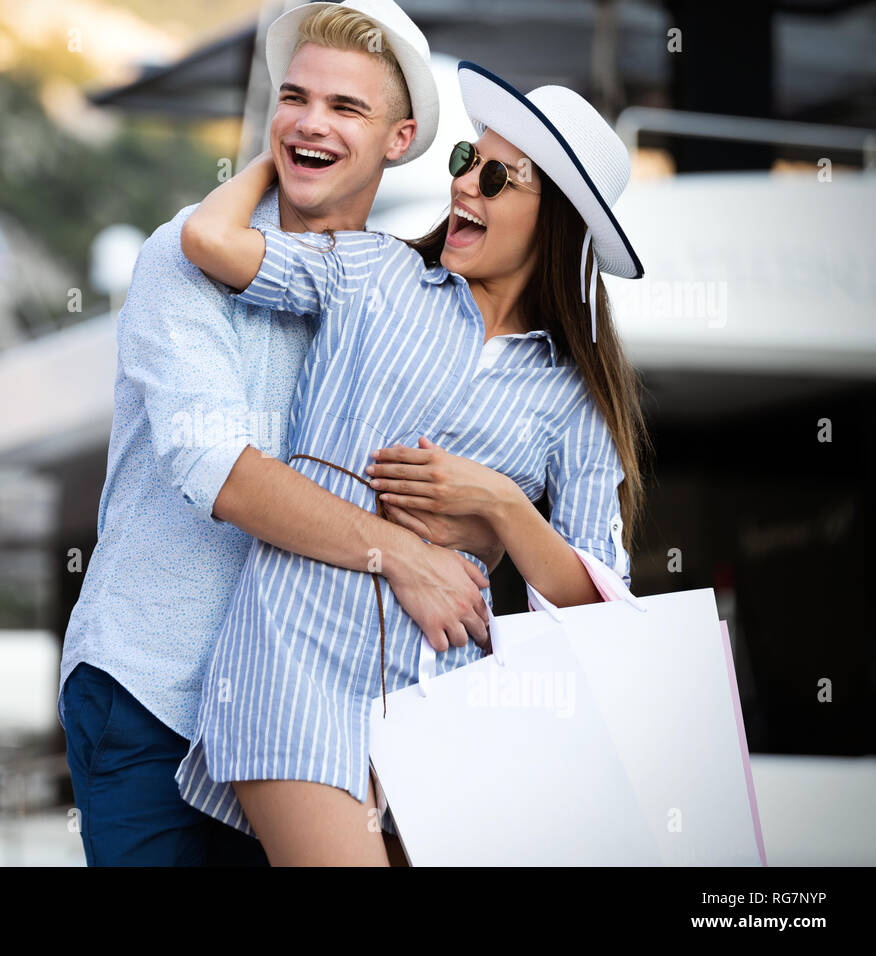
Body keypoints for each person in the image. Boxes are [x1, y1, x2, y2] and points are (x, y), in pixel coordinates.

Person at [174, 59, 652, 865]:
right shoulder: (371, 271)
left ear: (558, 221)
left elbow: (598, 604)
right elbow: (209, 240)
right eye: (468, 160)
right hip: (293, 659)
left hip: (443, 706)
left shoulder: (575, 399)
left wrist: (502, 504)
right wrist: (278, 149)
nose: (466, 186)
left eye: (498, 177)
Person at [57, 0, 498, 866]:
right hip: (158, 695)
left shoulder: (398, 298)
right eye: (294, 98)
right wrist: (398, 556)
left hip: (304, 722)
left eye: (346, 109)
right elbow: (216, 468)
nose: (310, 122)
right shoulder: (180, 258)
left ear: (400, 139)